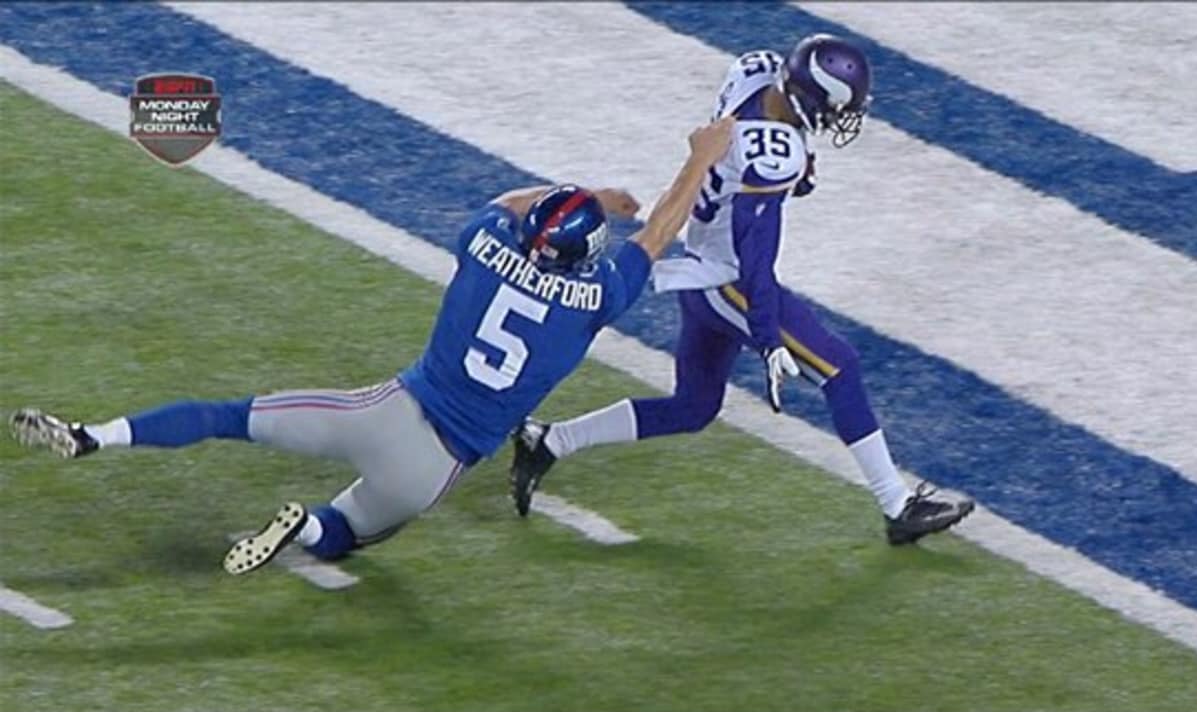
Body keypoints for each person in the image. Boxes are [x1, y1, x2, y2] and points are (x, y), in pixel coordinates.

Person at [9, 116, 736, 575]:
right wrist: (701, 160)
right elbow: (661, 229)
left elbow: (512, 204)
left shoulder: (484, 245)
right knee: (354, 531)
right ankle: (310, 525)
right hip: (439, 464)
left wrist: (586, 193)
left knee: (228, 415)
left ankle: (97, 436)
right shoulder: (596, 296)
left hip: (385, 411)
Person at [509, 35, 974, 545]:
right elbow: (757, 253)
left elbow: (737, 155)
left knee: (694, 406)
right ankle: (898, 505)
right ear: (809, 100)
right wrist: (768, 332)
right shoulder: (776, 153)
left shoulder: (753, 74)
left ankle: (549, 441)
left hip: (702, 265)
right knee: (840, 367)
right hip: (726, 281)